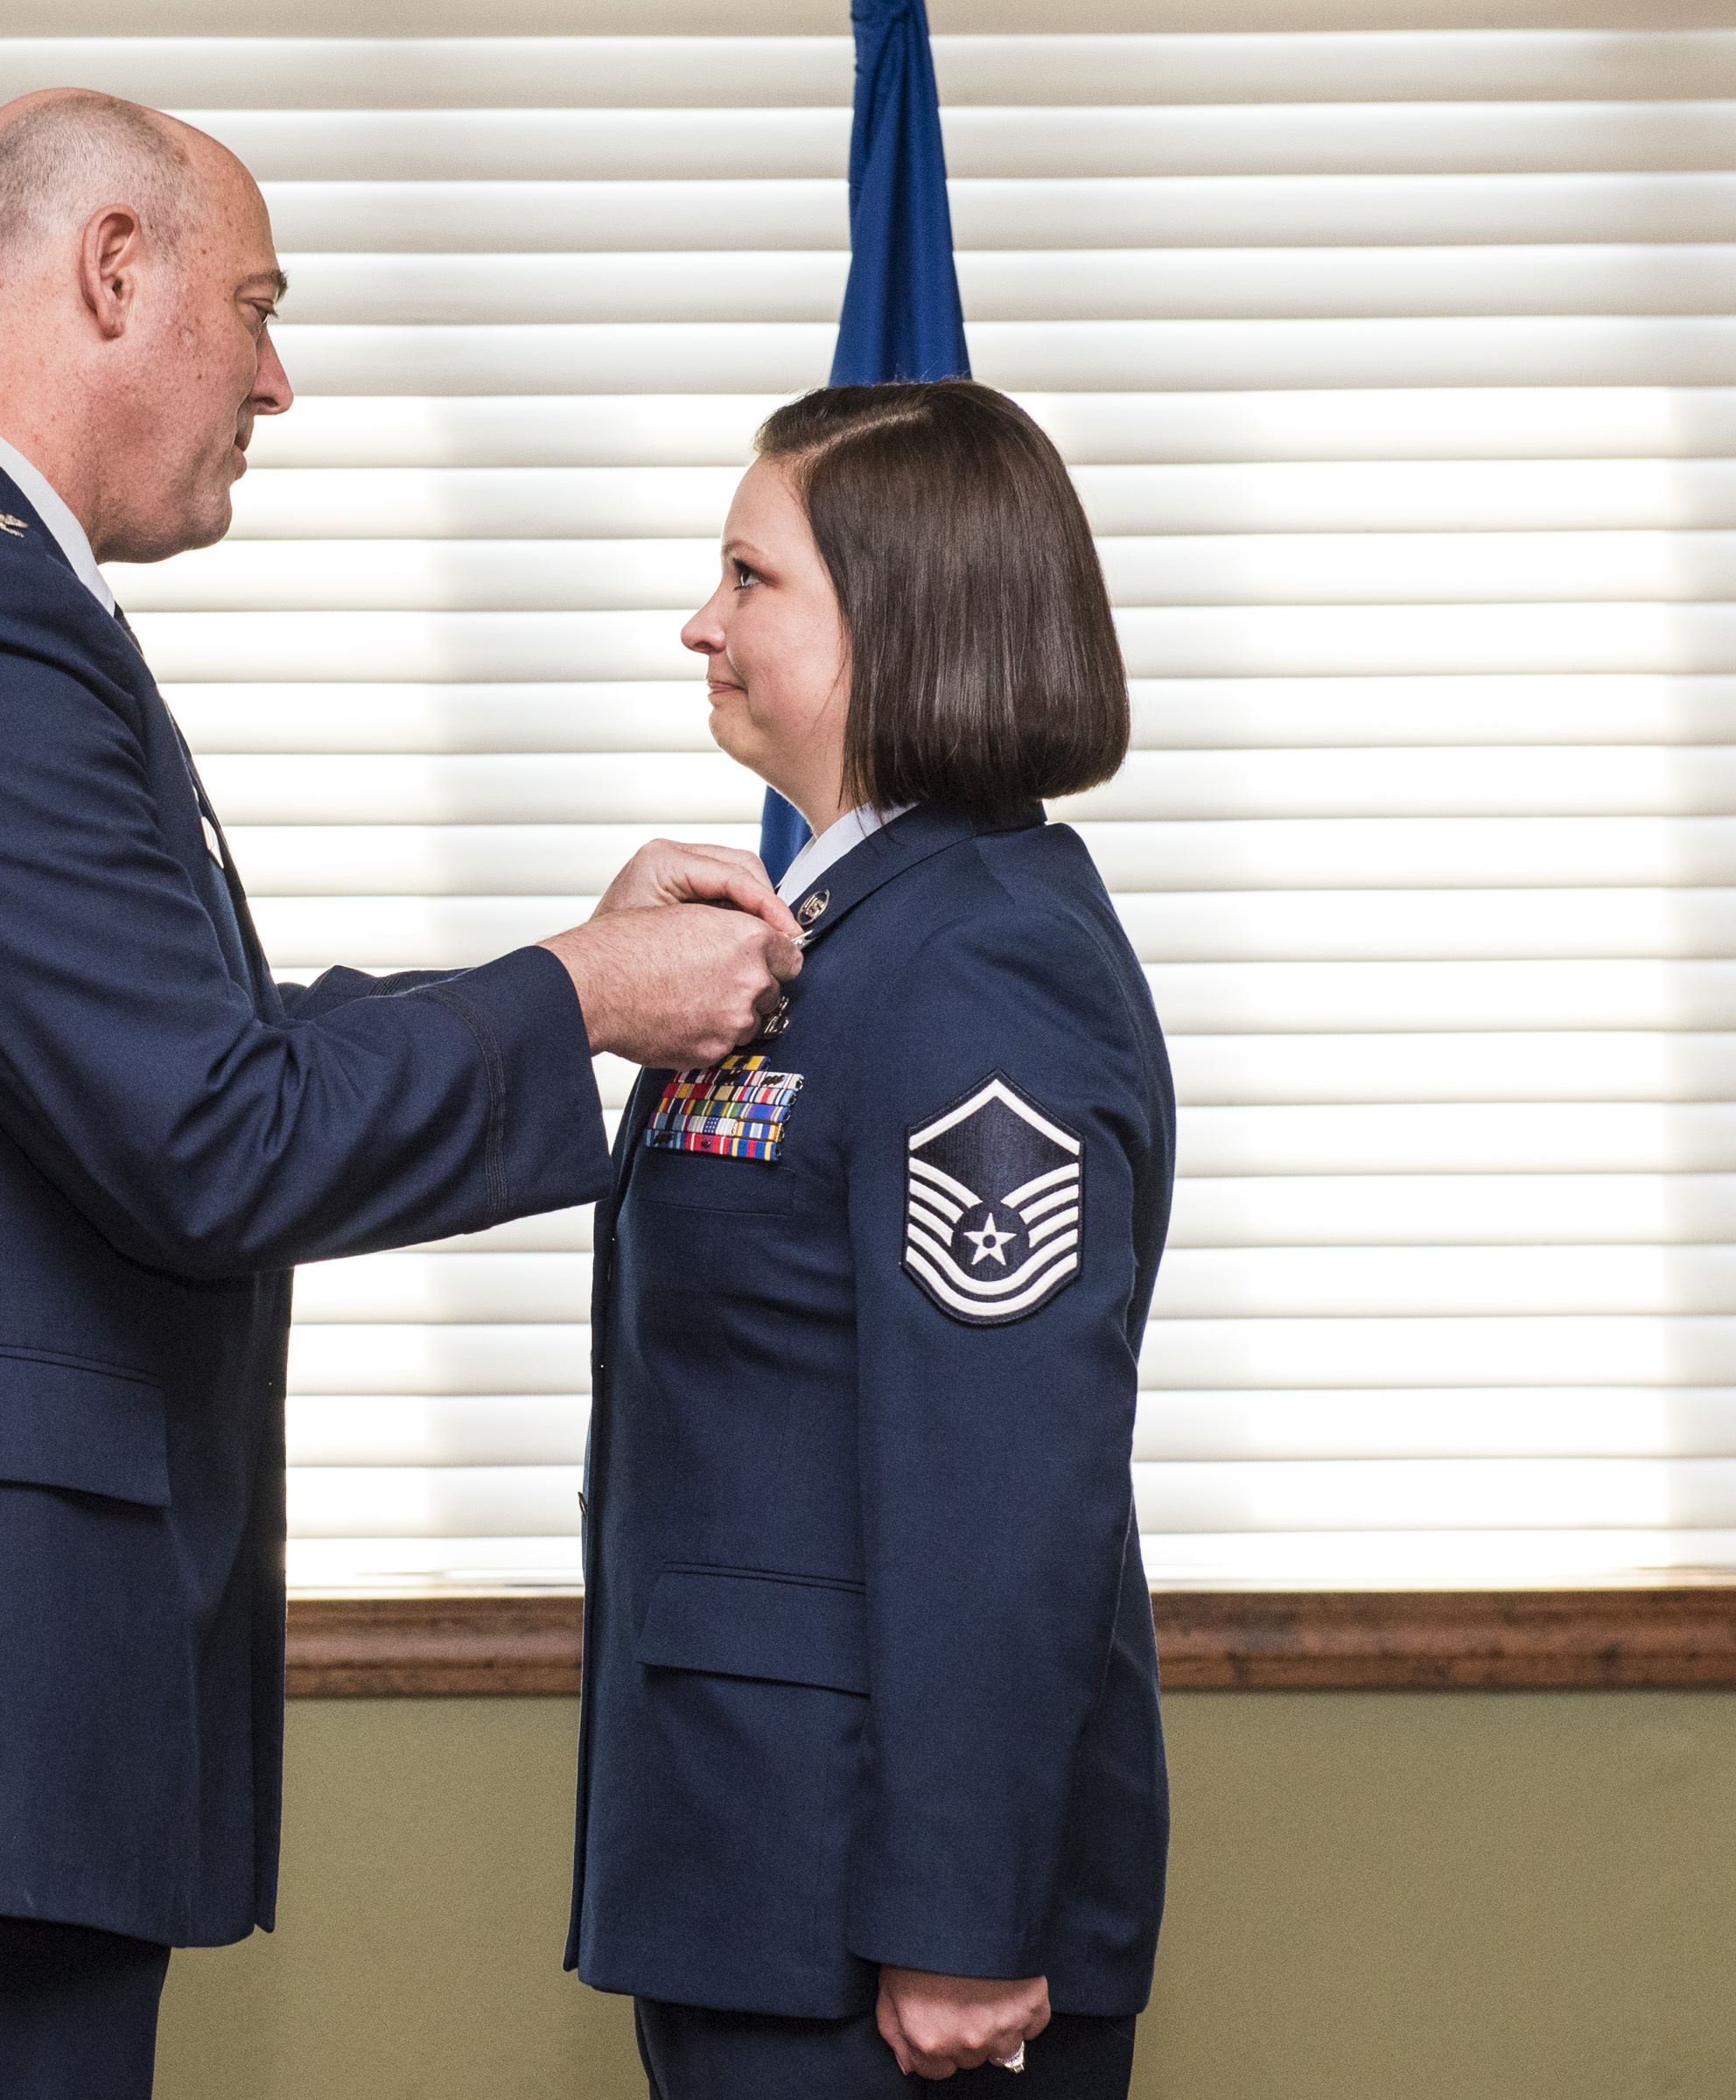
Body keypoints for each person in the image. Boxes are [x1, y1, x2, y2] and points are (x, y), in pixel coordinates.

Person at [0, 89, 802, 2097]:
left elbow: (141, 1048)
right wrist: (576, 999)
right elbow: (203, 1130)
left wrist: (555, 976)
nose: (279, 383)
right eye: (258, 306)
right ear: (115, 270)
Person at [567, 381, 1174, 2097]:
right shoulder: (848, 928)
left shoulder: (979, 963)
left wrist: (970, 1915)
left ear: (894, 621)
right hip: (761, 1880)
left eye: (751, 578)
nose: (702, 619)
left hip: (881, 1926)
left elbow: (1002, 1477)